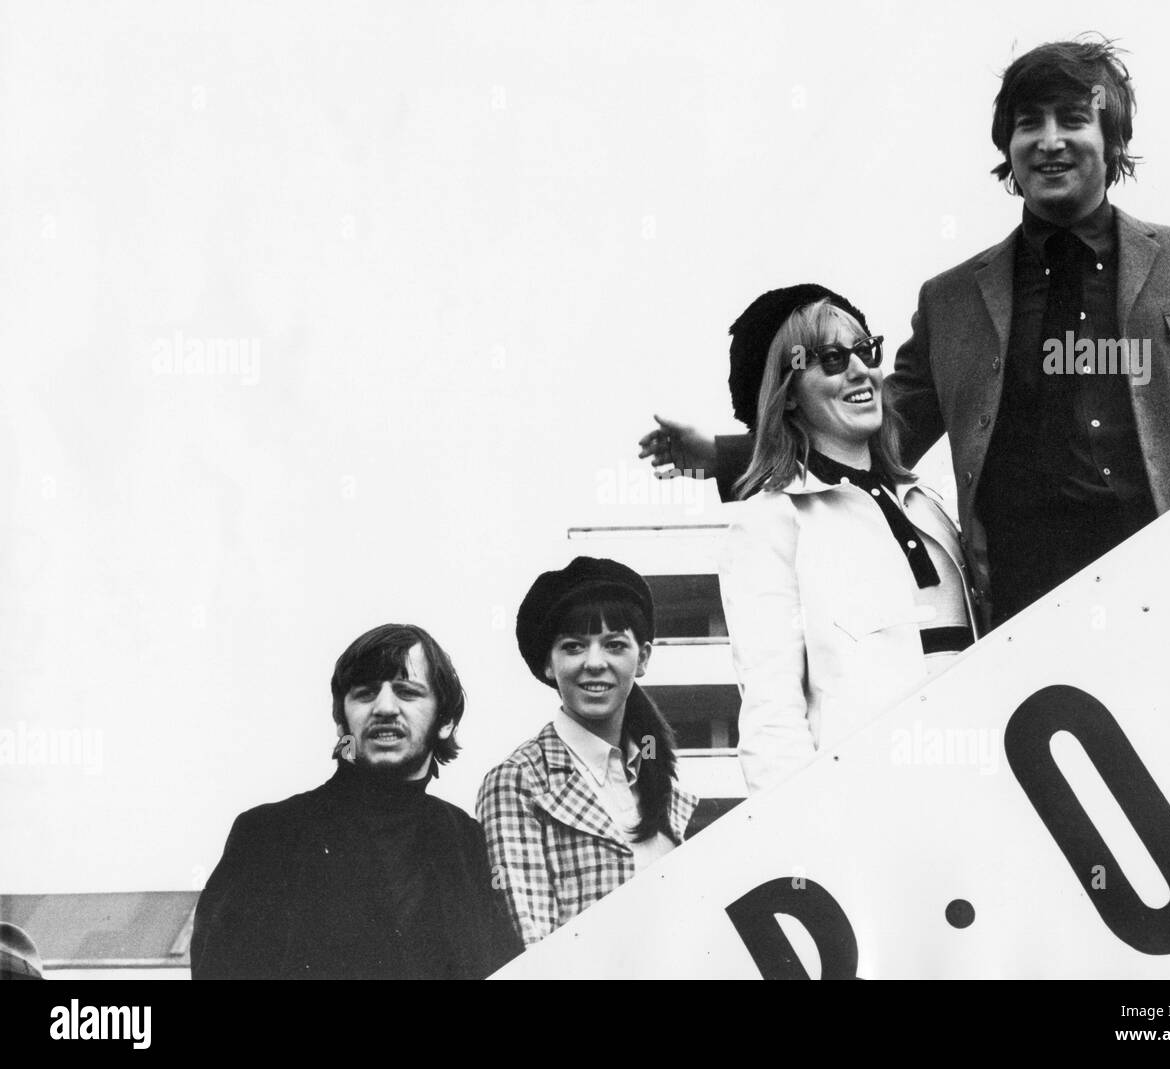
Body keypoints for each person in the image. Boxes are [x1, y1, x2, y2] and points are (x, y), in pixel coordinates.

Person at [639, 36, 1170, 629]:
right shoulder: (952, 299)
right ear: (1008, 148)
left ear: (1113, 143)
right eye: (1030, 123)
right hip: (1023, 603)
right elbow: (880, 430)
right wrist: (724, 454)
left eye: (1073, 119)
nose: (1050, 141)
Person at [718, 286, 977, 794]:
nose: (861, 370)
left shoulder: (930, 503)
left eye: (867, 350)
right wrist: (808, 849)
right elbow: (772, 714)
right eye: (832, 359)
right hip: (870, 809)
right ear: (788, 391)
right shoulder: (770, 521)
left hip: (978, 790)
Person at [191, 623, 520, 980]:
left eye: (407, 692)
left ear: (445, 722)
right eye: (364, 693)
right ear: (341, 723)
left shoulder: (466, 841)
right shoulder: (269, 835)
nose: (384, 707)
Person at [477, 557, 697, 946]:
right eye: (574, 646)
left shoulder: (667, 787)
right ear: (549, 662)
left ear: (642, 657)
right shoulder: (519, 782)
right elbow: (532, 949)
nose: (595, 663)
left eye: (614, 645)